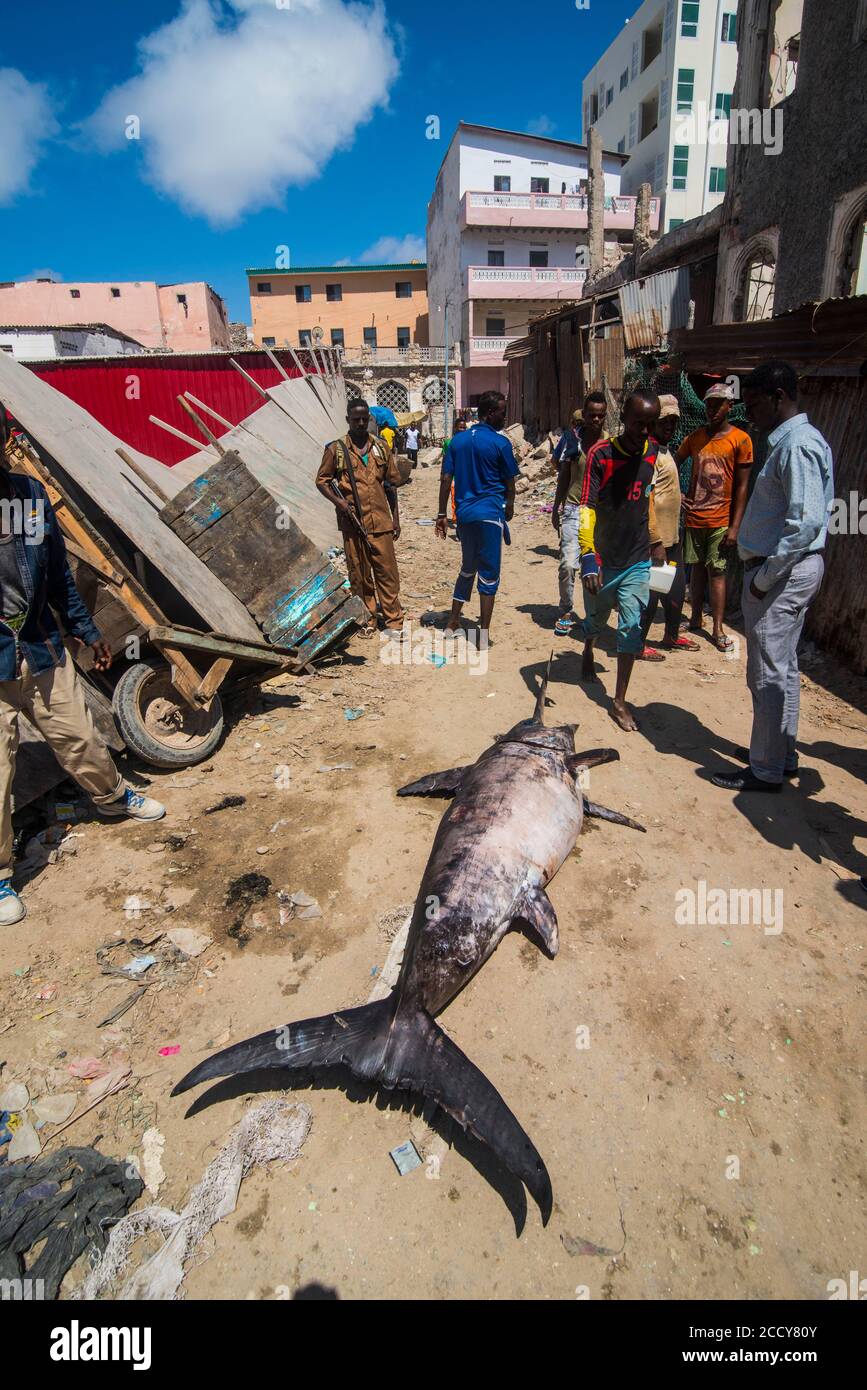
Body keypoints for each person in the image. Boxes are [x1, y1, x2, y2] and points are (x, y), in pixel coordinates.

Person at [0, 405, 165, 927]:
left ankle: (113, 798)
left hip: (40, 646)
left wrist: (86, 629)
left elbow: (55, 575)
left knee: (79, 736)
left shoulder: (28, 497)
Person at [711, 361, 834, 794]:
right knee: (783, 668)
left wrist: (765, 578)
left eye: (756, 404)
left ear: (778, 398)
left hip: (781, 571)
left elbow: (804, 523)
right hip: (785, 569)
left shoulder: (796, 445)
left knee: (766, 672)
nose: (752, 414)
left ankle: (765, 768)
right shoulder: (795, 441)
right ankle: (779, 755)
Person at [576, 390, 666, 732]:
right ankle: (588, 646)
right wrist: (587, 556)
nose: (644, 430)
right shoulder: (601, 454)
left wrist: (656, 541)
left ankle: (618, 699)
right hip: (602, 557)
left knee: (631, 628)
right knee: (596, 621)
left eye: (650, 424)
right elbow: (587, 508)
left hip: (636, 558)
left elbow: (647, 498)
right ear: (623, 418)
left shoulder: (653, 452)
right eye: (637, 423)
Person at [316, 400, 406, 638]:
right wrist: (341, 503)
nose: (361, 422)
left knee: (387, 572)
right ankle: (368, 618)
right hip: (353, 523)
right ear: (348, 420)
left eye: (365, 418)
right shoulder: (336, 450)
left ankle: (393, 620)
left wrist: (395, 518)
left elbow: (391, 485)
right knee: (360, 573)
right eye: (356, 418)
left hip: (381, 521)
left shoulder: (380, 447)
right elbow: (322, 481)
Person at [435, 391, 518, 644]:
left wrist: (441, 513)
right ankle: (482, 634)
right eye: (502, 412)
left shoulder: (457, 442)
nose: (504, 417)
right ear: (490, 413)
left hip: (465, 515)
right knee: (489, 572)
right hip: (490, 514)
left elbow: (446, 479)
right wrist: (510, 504)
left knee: (467, 567)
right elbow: (509, 480)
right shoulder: (501, 443)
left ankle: (452, 621)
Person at [677, 383, 753, 652]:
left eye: (718, 404)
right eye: (709, 404)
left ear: (729, 406)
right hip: (695, 517)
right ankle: (696, 617)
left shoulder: (740, 440)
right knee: (695, 569)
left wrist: (735, 526)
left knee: (717, 571)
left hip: (720, 519)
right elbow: (672, 463)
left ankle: (718, 628)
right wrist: (678, 493)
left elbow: (743, 486)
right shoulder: (696, 438)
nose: (712, 410)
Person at [638, 395, 699, 660]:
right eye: (665, 421)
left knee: (675, 593)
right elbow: (646, 496)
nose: (670, 427)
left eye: (674, 422)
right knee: (651, 596)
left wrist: (678, 497)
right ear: (652, 423)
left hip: (672, 536)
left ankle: (671, 635)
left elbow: (664, 488)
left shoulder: (664, 450)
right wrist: (655, 541)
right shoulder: (648, 453)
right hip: (656, 540)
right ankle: (637, 644)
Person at [551, 393, 608, 637]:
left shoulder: (610, 444)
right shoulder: (573, 442)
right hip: (574, 510)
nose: (596, 419)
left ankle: (592, 617)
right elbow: (564, 476)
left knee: (595, 568)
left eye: (600, 415)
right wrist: (556, 507)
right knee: (567, 564)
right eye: (591, 415)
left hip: (599, 514)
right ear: (583, 416)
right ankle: (566, 609)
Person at [442, 419, 468, 539]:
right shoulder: (449, 443)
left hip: (468, 478)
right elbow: (445, 460)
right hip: (455, 479)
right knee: (456, 503)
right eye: (460, 427)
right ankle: (459, 529)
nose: (462, 430)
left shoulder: (469, 442)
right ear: (455, 428)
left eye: (464, 428)